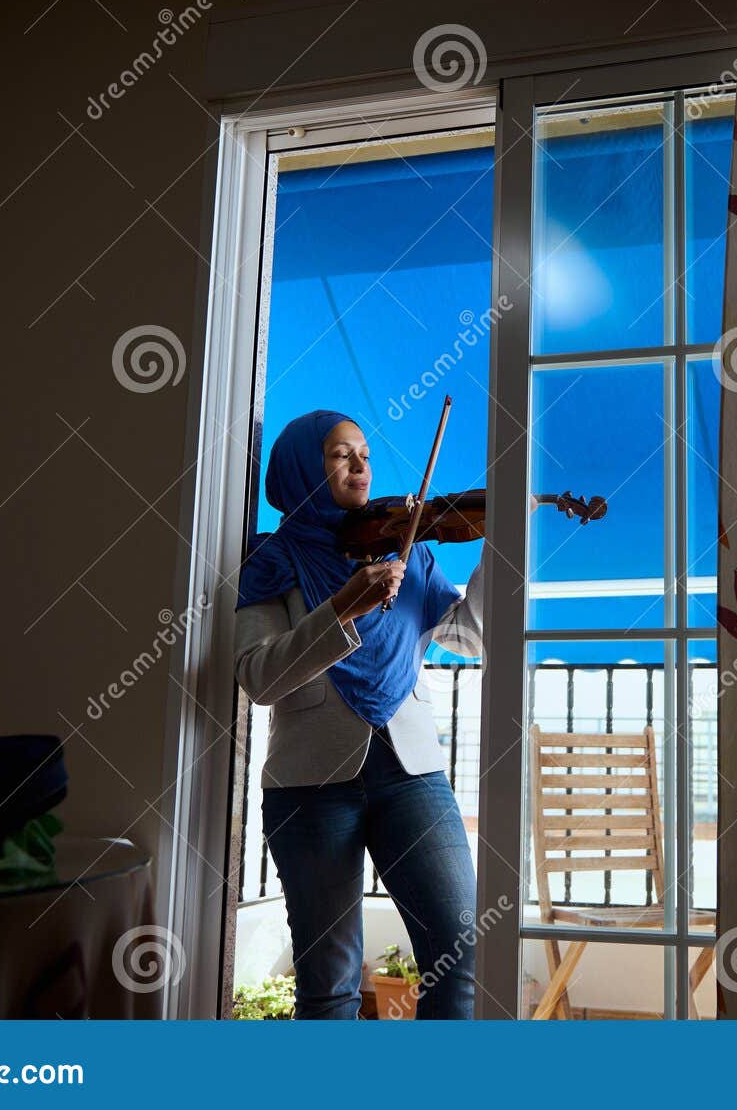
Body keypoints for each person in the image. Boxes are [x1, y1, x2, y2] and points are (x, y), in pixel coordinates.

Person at [233, 409, 483, 1019]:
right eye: (341, 455)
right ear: (300, 470)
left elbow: (473, 638)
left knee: (459, 956)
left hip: (412, 773)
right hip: (309, 784)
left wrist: (503, 552)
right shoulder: (272, 558)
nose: (362, 465)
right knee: (330, 984)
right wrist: (342, 607)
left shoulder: (411, 550)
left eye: (365, 453)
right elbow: (258, 676)